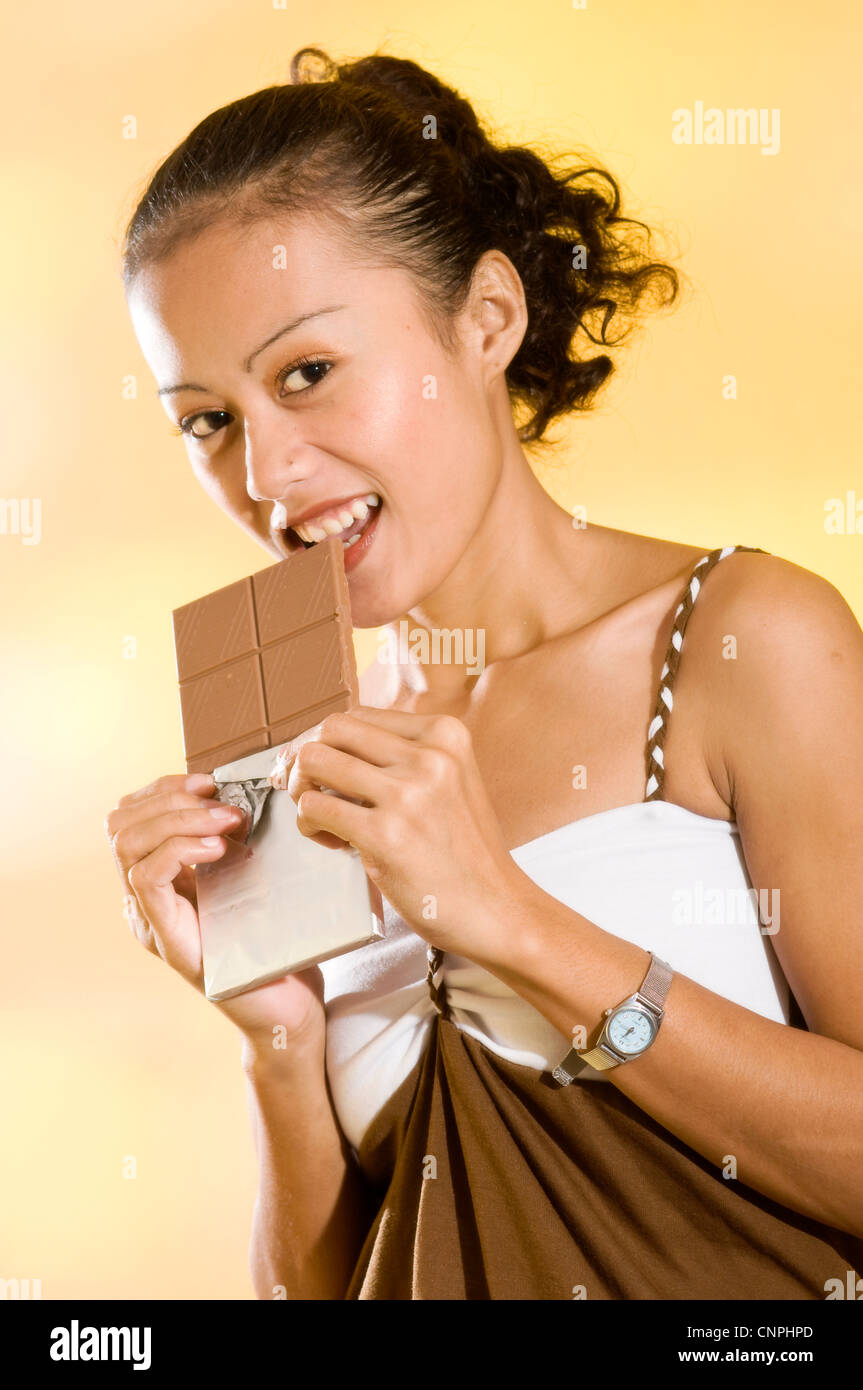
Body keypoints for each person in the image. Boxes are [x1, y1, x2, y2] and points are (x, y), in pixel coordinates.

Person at [105, 46, 863, 1299]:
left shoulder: (740, 637)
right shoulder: (300, 758)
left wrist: (507, 918)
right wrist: (281, 1038)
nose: (266, 477)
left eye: (307, 374)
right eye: (208, 419)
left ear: (486, 319)